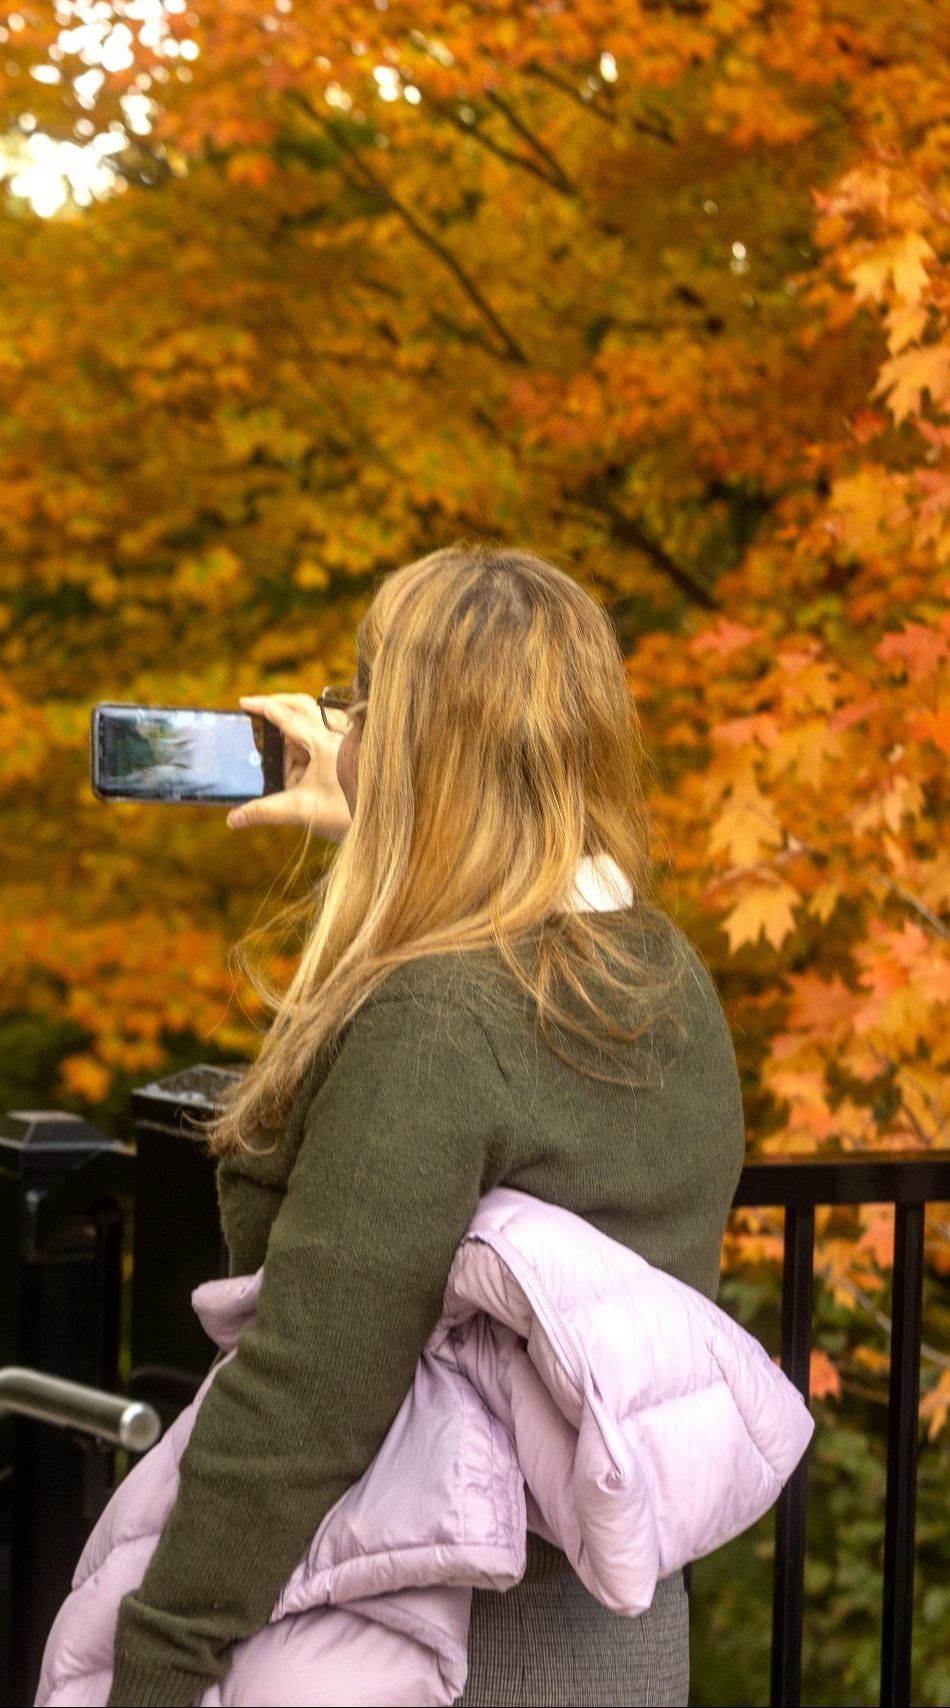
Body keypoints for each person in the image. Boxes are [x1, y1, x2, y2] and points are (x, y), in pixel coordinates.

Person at [106, 543, 746, 1707]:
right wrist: (383, 834)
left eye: (360, 705)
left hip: (441, 1638)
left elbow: (307, 1394)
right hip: (619, 1625)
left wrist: (159, 1653)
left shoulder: (439, 1014)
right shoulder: (659, 969)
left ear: (410, 745)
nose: (342, 734)